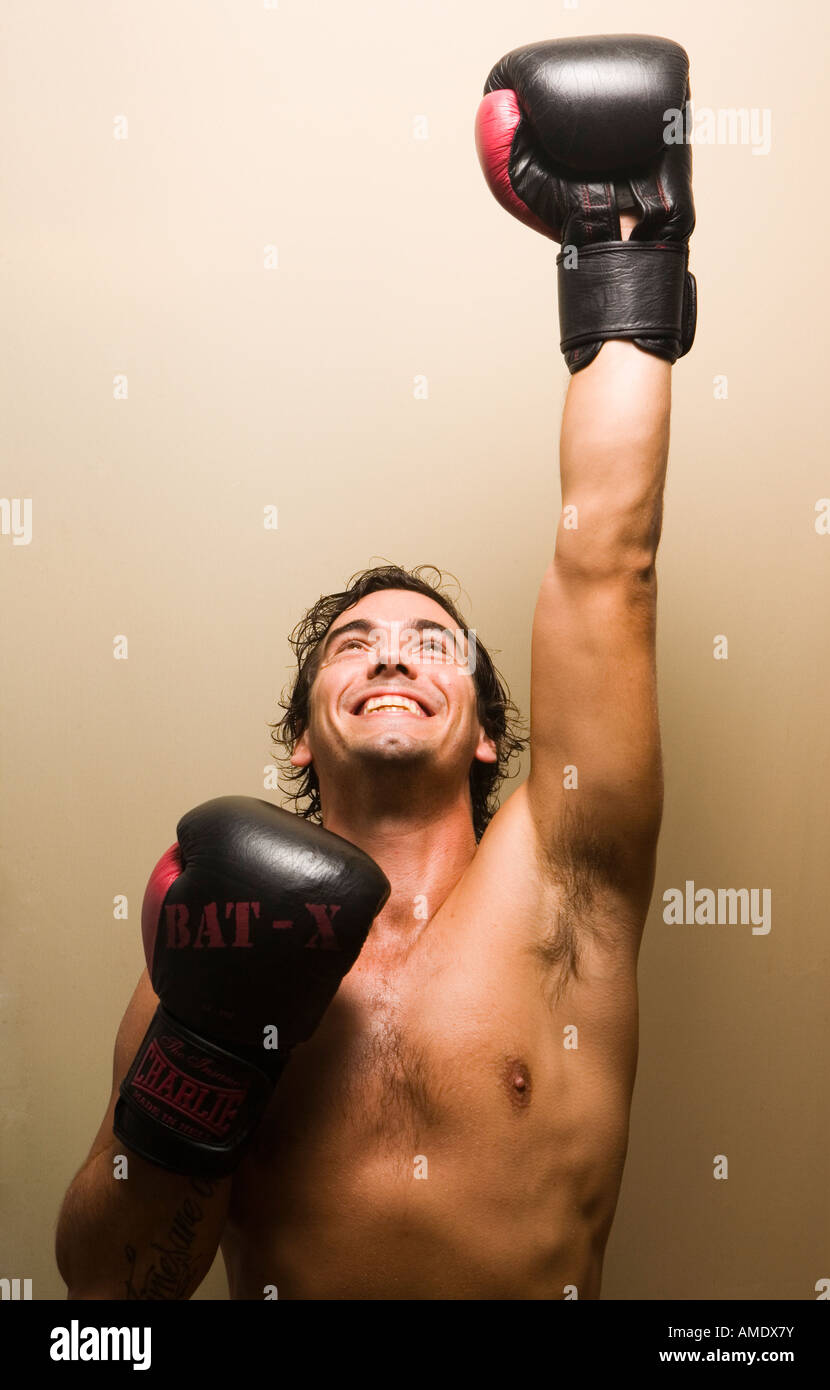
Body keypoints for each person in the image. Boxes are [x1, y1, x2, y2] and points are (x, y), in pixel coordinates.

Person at [55, 33, 695, 1300]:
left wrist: (625, 253)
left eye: (427, 643)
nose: (391, 653)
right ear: (302, 735)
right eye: (354, 645)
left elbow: (603, 562)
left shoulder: (564, 883)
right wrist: (206, 1054)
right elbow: (109, 1298)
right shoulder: (216, 937)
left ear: (484, 736)